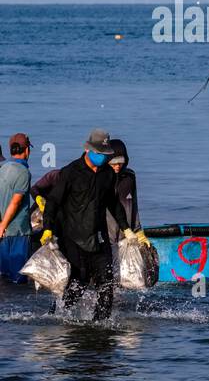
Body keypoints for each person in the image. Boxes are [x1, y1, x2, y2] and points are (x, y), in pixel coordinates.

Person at [41, 128, 140, 320]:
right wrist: (48, 230)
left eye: (106, 155)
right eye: (100, 154)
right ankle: (58, 314)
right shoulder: (70, 173)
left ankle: (100, 323)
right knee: (80, 280)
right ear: (89, 150)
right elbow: (53, 202)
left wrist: (127, 229)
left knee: (107, 282)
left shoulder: (108, 175)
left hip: (99, 236)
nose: (103, 158)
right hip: (73, 237)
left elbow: (113, 204)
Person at [0, 134, 33, 284]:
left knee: (4, 277)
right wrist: (3, 225)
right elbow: (16, 202)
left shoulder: (3, 168)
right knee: (18, 279)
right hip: (18, 232)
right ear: (26, 150)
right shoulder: (23, 172)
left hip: (3, 233)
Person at [104, 138, 143, 254]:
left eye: (120, 163)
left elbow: (134, 205)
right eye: (113, 163)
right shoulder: (101, 179)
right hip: (107, 238)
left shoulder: (129, 177)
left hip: (127, 236)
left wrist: (138, 231)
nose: (117, 167)